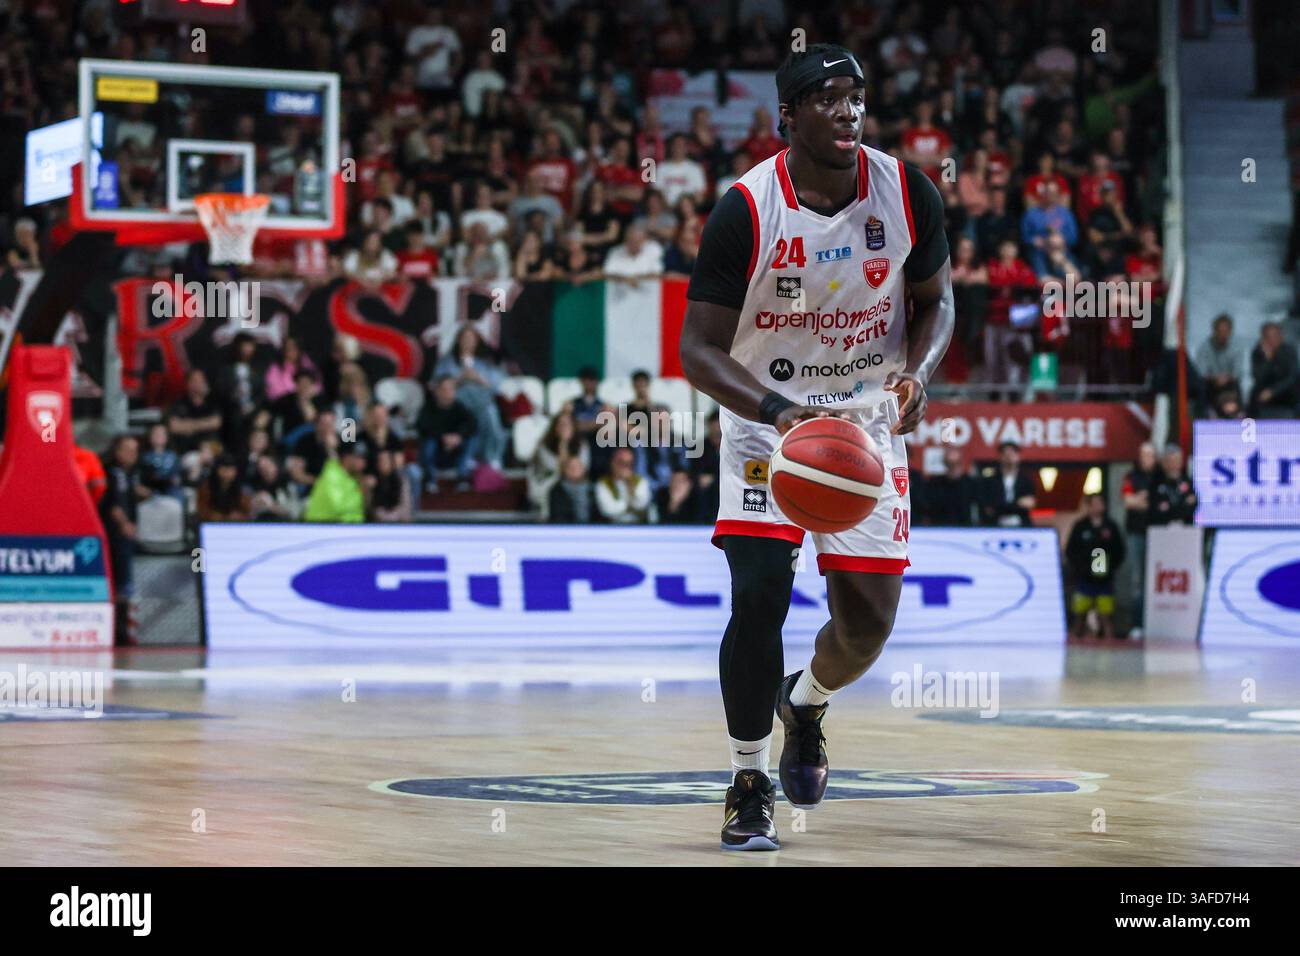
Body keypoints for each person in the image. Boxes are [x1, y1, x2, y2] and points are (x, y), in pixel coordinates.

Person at [678, 45, 953, 851]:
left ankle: (806, 702)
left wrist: (919, 375)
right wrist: (778, 410)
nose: (846, 111)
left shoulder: (907, 191)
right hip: (769, 420)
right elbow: (698, 350)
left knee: (867, 624)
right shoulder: (746, 209)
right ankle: (746, 778)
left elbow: (938, 303)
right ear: (787, 117)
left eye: (856, 97)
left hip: (867, 421)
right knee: (759, 594)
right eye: (826, 98)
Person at [1065, 493, 1126, 639]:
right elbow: (1070, 550)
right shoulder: (1080, 526)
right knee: (1079, 616)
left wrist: (1110, 568)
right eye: (1093, 504)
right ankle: (1074, 651)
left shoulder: (1110, 526)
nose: (1096, 507)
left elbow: (1119, 550)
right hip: (1084, 578)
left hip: (1104, 579)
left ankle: (1109, 648)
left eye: (1099, 503)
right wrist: (1080, 568)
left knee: (1106, 616)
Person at [1121, 442, 1159, 638]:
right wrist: (1145, 501)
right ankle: (1137, 623)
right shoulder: (1131, 476)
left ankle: (1157, 623)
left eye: (1150, 455)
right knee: (1137, 579)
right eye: (1143, 455)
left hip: (1159, 535)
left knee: (1158, 580)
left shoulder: (1159, 477)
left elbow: (1160, 505)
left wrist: (1144, 501)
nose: (1147, 459)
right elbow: (1128, 502)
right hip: (1136, 533)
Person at [416, 374, 477, 491]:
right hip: (436, 452)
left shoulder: (460, 407)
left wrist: (458, 437)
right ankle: (430, 478)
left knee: (471, 439)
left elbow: (472, 424)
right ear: (437, 391)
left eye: (451, 389)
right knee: (428, 442)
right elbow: (422, 427)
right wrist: (443, 437)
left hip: (454, 452)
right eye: (445, 389)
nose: (448, 392)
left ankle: (462, 477)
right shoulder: (427, 408)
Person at [978, 442, 1036, 527]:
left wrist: (1002, 506)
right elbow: (990, 508)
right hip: (995, 527)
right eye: (1005, 454)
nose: (1009, 457)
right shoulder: (989, 481)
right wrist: (1018, 504)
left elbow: (1029, 505)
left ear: (1018, 456)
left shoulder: (1026, 481)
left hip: (1022, 527)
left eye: (1012, 453)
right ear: (1000, 457)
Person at [1248, 322, 1300, 418]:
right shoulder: (1257, 352)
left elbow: (1291, 377)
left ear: (1281, 337)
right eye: (1268, 337)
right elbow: (1258, 377)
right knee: (1254, 392)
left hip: (1285, 390)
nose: (1271, 340)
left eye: (1275, 336)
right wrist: (1268, 359)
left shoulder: (1289, 351)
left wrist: (1273, 391)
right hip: (1265, 390)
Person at [1193, 314, 1244, 407]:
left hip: (1229, 384)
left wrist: (1226, 378)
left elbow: (1237, 373)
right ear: (1214, 331)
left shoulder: (1237, 348)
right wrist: (1215, 379)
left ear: (1230, 332)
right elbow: (1200, 372)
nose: (1223, 335)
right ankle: (1203, 416)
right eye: (1220, 331)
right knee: (1200, 387)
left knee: (1236, 388)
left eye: (1226, 331)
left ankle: (1238, 416)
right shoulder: (1204, 348)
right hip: (1210, 385)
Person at [919, 448, 977, 526]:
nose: (953, 467)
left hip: (965, 528)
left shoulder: (970, 484)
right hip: (940, 528)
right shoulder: (935, 484)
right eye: (950, 464)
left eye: (957, 463)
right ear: (945, 464)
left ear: (961, 463)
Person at [594, 447, 652, 523]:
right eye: (621, 463)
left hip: (638, 526)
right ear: (612, 462)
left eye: (628, 463)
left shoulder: (641, 481)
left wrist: (630, 486)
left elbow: (642, 506)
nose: (625, 467)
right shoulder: (603, 483)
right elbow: (607, 510)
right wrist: (629, 505)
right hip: (612, 527)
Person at [1149, 444, 1197, 526]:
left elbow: (1193, 507)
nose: (1173, 465)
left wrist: (1170, 508)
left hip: (1186, 530)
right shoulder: (1155, 483)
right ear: (1164, 463)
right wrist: (1184, 504)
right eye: (1170, 461)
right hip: (1161, 530)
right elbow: (1154, 510)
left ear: (1181, 462)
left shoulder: (1188, 482)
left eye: (1176, 461)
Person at [548, 455, 594, 523]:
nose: (574, 469)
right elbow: (558, 516)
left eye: (577, 466)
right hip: (567, 529)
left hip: (593, 528)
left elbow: (598, 513)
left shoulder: (592, 489)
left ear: (584, 469)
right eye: (570, 467)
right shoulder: (557, 491)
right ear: (564, 470)